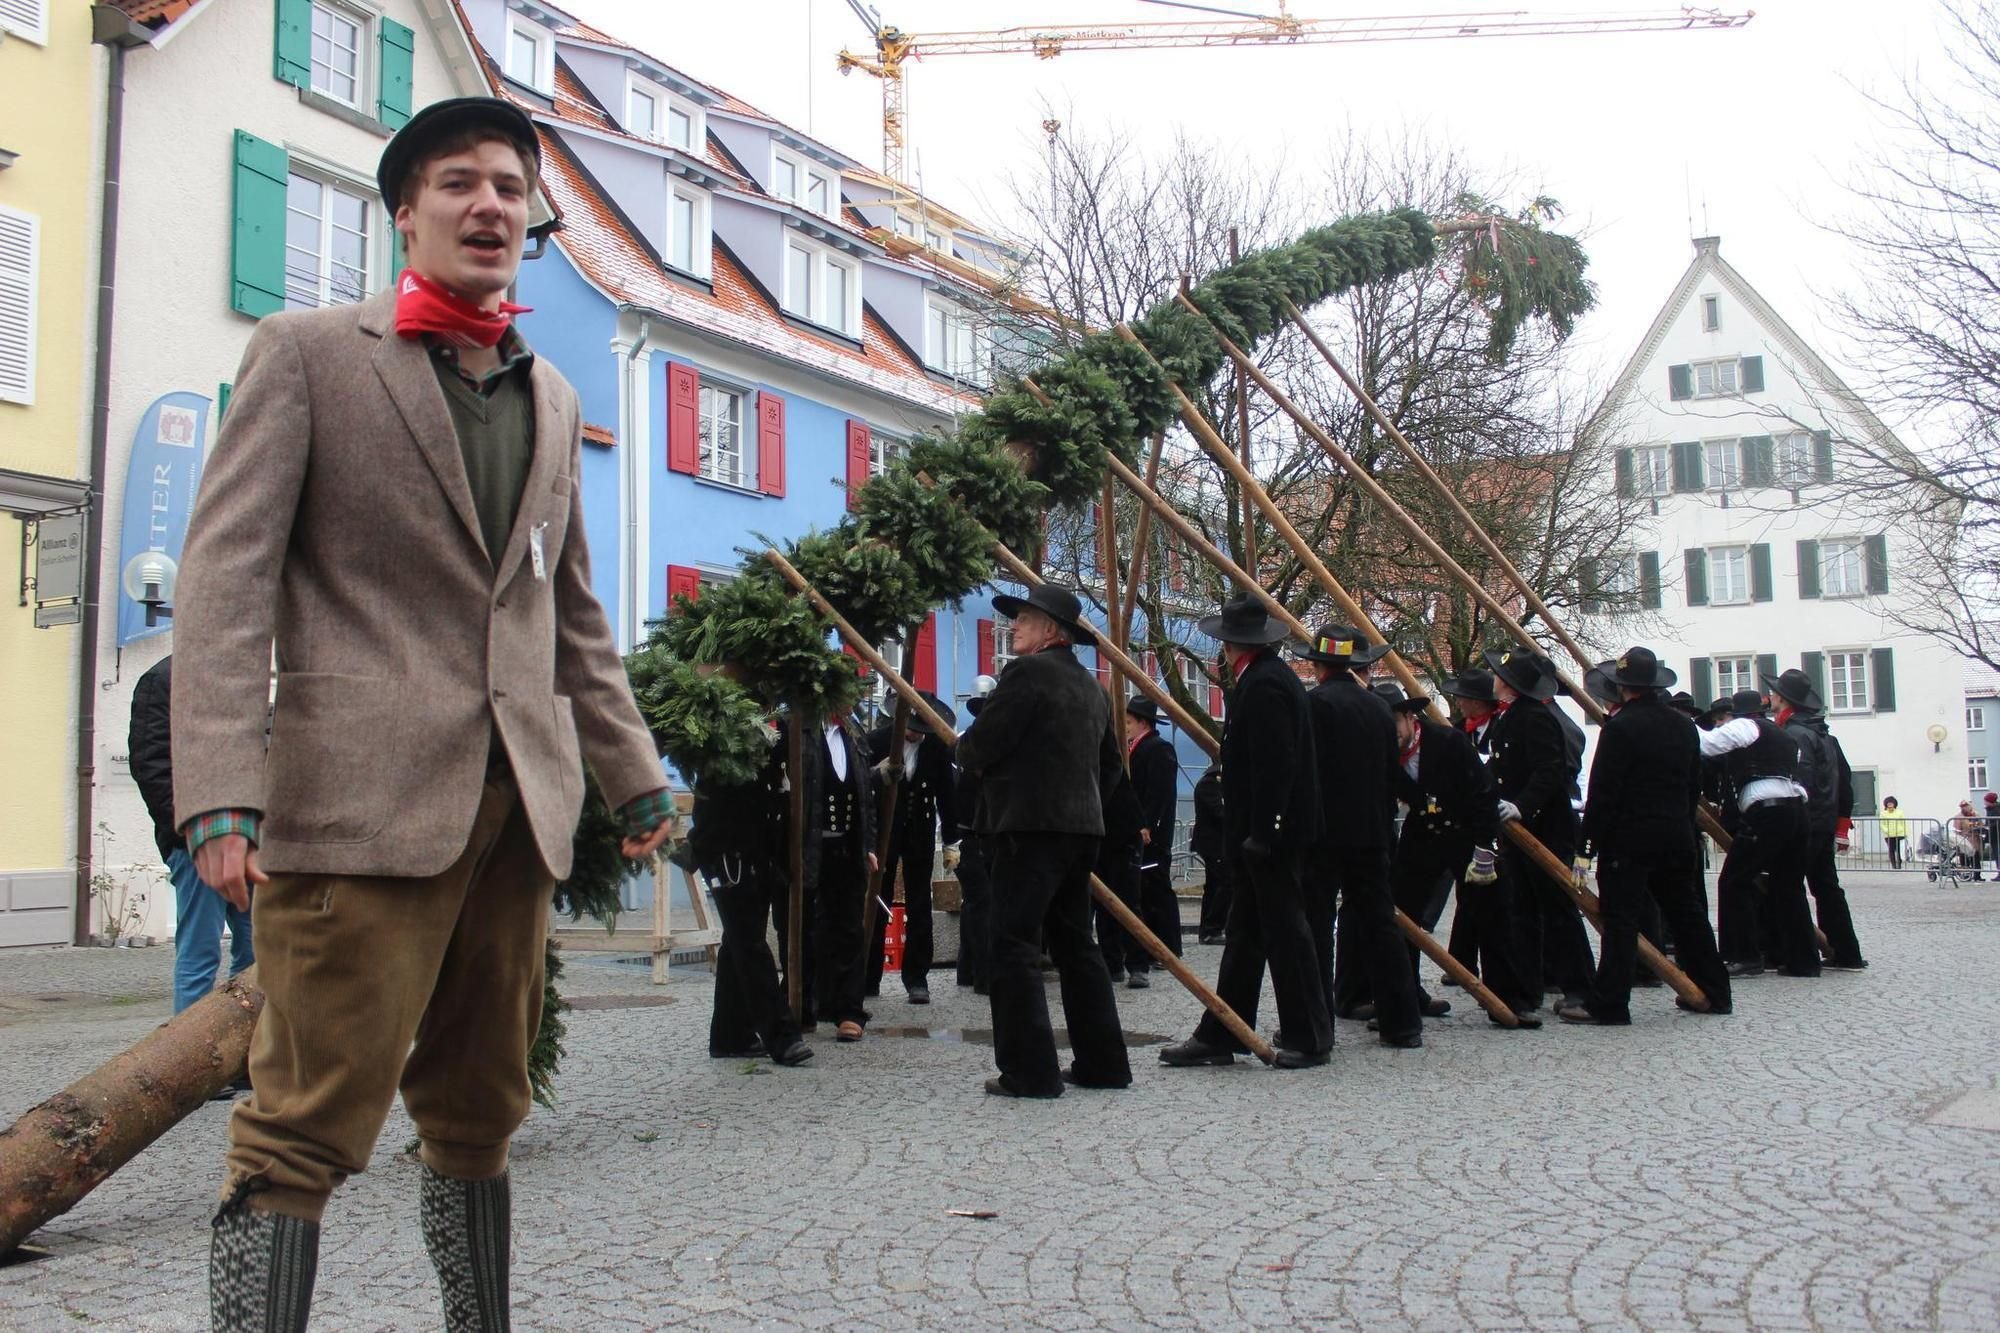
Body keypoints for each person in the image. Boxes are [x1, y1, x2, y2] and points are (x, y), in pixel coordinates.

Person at [171, 98, 678, 1327]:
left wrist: (632, 773)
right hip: (357, 805)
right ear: (405, 212)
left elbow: (567, 608)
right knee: (302, 1122)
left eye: (509, 187)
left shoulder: (552, 394)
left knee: (479, 1111)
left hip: (516, 815)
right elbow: (225, 578)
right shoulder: (306, 354)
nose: (489, 205)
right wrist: (219, 791)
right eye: (459, 183)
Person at [954, 583, 1130, 1098]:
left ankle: (1030, 1071)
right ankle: (1104, 1063)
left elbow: (984, 744)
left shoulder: (1026, 674)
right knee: (1077, 944)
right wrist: (1084, 802)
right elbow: (1112, 766)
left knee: (1012, 944)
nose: (1015, 627)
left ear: (1051, 630)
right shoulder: (1092, 689)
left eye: (1025, 620)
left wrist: (968, 752)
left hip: (1027, 829)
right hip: (1081, 829)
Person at [1161, 598, 1332, 1069]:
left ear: (1232, 645)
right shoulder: (1265, 680)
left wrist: (1265, 830)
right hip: (1264, 834)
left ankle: (1309, 1036)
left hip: (1271, 837)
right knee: (1247, 936)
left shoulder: (1265, 686)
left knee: (1286, 936)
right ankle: (1223, 1030)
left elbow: (1277, 767)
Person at [1558, 649, 1731, 1024]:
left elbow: (1604, 794)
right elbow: (1691, 787)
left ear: (1622, 688)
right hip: (1676, 834)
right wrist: (1684, 826)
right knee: (1688, 916)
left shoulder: (1620, 728)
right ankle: (1717, 990)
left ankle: (1611, 1003)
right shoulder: (1684, 726)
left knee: (1621, 921)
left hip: (1629, 839)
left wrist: (1587, 849)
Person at [1294, 624, 1419, 1047]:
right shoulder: (1377, 709)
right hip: (1372, 832)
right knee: (1380, 925)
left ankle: (1317, 1023)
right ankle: (1402, 1023)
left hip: (1326, 833)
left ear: (1317, 665)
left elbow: (1308, 773)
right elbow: (1390, 773)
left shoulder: (1314, 706)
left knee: (1316, 924)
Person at [129, 655, 255, 1032]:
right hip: (194, 844)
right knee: (200, 954)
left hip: (252, 842)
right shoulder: (163, 679)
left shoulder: (241, 677)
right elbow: (151, 766)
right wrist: (192, 832)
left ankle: (241, 1059)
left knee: (256, 953)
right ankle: (191, 1062)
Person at [690, 714, 812, 1067]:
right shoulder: (725, 740)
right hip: (730, 858)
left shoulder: (774, 739)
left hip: (758, 857)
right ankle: (782, 1037)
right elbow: (714, 812)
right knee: (751, 946)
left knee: (739, 944)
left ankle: (730, 1035)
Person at [1482, 648, 1592, 1017]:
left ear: (1510, 684)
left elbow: (1549, 772)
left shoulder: (1537, 718)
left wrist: (1522, 805)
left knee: (1559, 911)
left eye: (1499, 674)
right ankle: (1528, 990)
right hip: (1517, 832)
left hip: (1547, 829)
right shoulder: (1507, 719)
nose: (1493, 677)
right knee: (1522, 912)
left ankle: (1579, 988)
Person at [1386, 683, 1496, 1022]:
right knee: (1405, 917)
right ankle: (1406, 999)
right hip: (1422, 835)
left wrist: (1485, 848)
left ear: (1409, 717)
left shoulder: (1449, 742)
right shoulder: (1383, 752)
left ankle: (1507, 996)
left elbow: (1483, 793)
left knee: (1492, 912)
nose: (1390, 735)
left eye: (1393, 725)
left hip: (1465, 831)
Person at [1699, 689, 1818, 977]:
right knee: (1788, 886)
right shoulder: (1782, 735)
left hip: (1768, 810)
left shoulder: (1745, 726)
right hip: (1795, 809)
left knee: (1735, 882)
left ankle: (1743, 956)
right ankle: (1804, 961)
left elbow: (1707, 745)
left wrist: (1676, 723)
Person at [777, 706, 878, 1040]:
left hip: (848, 849)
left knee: (850, 929)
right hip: (807, 847)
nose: (852, 701)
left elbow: (865, 795)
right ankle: (802, 1007)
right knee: (803, 930)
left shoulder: (854, 733)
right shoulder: (795, 728)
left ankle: (849, 1010)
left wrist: (869, 844)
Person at [1766, 668, 1868, 970]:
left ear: (1783, 699)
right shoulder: (1823, 735)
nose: (1770, 697)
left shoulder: (1794, 735)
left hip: (1805, 823)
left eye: (1774, 693)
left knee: (1788, 888)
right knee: (1826, 888)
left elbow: (1800, 783)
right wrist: (1837, 825)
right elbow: (1843, 784)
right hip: (1822, 824)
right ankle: (1846, 951)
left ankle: (1801, 958)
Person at [865, 693, 959, 1004]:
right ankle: (869, 976)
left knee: (920, 903)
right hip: (884, 831)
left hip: (919, 829)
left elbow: (947, 793)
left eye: (922, 728)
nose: (917, 734)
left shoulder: (935, 747)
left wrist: (950, 840)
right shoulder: (876, 741)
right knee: (878, 899)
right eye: (912, 727)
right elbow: (861, 788)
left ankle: (917, 977)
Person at [1439, 669, 1502, 984]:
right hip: (1464, 823)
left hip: (1495, 823)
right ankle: (1461, 963)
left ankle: (1488, 971)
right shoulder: (1459, 732)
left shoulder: (1501, 730)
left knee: (1492, 902)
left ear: (1479, 701)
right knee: (1467, 894)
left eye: (1464, 697)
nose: (1459, 701)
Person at [1125, 697, 1185, 967]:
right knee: (1144, 889)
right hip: (1138, 826)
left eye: (1128, 722)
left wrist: (1148, 823)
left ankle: (1169, 947)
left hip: (1153, 831)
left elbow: (1159, 793)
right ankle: (1150, 946)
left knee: (1158, 887)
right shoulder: (1135, 748)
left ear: (1143, 723)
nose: (1125, 727)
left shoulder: (1158, 749)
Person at [953, 675, 998, 995]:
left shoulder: (971, 743)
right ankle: (982, 973)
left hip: (982, 832)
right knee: (982, 903)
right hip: (972, 833)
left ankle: (969, 970)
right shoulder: (964, 744)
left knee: (976, 903)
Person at [1191, 762, 1231, 944]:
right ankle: (1211, 928)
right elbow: (1220, 812)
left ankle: (1210, 928)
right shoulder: (1210, 784)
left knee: (1216, 886)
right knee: (1222, 885)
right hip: (1213, 844)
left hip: (1218, 844)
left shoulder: (1216, 783)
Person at [1880, 796, 1907, 869]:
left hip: (1899, 834)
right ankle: (1893, 865)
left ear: (1895, 804)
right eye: (1888, 804)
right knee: (1891, 849)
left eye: (1891, 804)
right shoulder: (1883, 813)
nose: (1890, 805)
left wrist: (1905, 832)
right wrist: (1886, 830)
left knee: (1899, 850)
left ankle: (1899, 864)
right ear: (1886, 805)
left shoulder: (1899, 812)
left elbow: (1903, 823)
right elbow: (1882, 824)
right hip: (1888, 835)